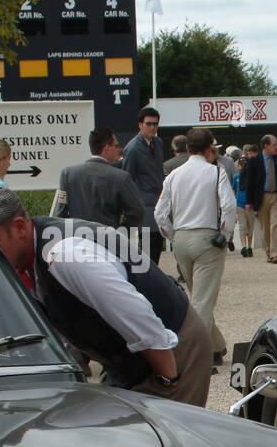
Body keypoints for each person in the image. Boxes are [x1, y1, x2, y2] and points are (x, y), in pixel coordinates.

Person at [0, 185, 211, 405]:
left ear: (20, 228)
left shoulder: (65, 255)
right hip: (134, 357)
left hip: (172, 347)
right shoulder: (33, 257)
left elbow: (137, 315)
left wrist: (169, 381)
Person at [154, 126, 236, 366]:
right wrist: (226, 233)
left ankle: (216, 346)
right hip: (207, 238)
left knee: (199, 295)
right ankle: (195, 355)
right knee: (202, 300)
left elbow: (159, 213)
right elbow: (228, 206)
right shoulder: (216, 172)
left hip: (181, 239)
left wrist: (171, 235)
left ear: (187, 148)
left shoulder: (173, 175)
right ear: (210, 148)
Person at [51, 126, 146, 230]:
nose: (118, 149)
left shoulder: (67, 174)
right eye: (116, 145)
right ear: (106, 149)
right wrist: (122, 231)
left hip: (77, 239)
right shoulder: (120, 177)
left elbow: (60, 214)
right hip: (107, 241)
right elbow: (138, 212)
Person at [121, 106, 167, 265]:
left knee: (158, 243)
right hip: (144, 204)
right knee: (148, 246)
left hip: (158, 201)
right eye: (149, 124)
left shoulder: (158, 143)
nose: (152, 127)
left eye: (155, 124)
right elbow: (128, 178)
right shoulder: (133, 148)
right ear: (140, 124)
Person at [244, 133, 277, 265]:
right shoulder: (255, 161)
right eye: (274, 145)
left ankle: (275, 254)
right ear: (266, 146)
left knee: (276, 225)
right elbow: (250, 182)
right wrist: (248, 201)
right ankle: (268, 252)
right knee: (265, 227)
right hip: (262, 197)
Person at [233, 155, 255, 257]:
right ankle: (244, 246)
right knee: (243, 226)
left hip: (249, 203)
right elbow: (234, 190)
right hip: (240, 203)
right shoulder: (236, 177)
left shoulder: (251, 176)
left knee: (250, 226)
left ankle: (249, 246)